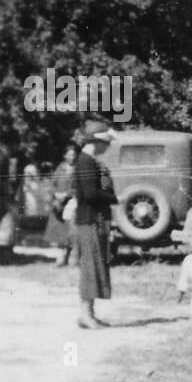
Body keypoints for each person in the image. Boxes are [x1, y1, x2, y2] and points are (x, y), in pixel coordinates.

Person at [73, 121, 118, 328]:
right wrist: (116, 199)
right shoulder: (86, 161)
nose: (108, 147)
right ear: (97, 141)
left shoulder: (88, 160)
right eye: (106, 142)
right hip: (89, 220)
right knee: (90, 269)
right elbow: (90, 193)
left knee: (93, 266)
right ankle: (85, 314)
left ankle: (89, 313)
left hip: (93, 220)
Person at [47, 145, 78, 266]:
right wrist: (55, 193)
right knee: (60, 231)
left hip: (71, 203)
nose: (72, 157)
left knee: (71, 231)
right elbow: (53, 183)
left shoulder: (78, 169)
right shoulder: (60, 168)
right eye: (69, 155)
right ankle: (60, 257)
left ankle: (71, 257)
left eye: (74, 155)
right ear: (65, 156)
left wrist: (67, 194)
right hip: (59, 205)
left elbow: (78, 187)